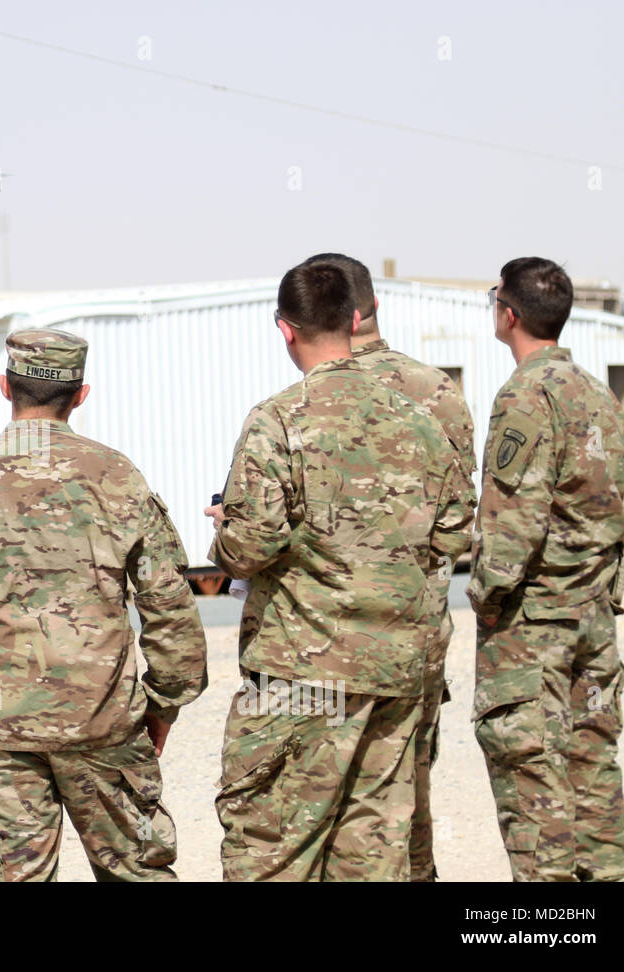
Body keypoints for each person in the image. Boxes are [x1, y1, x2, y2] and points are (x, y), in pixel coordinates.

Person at [0, 328, 208, 882]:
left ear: (5, 387)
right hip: (103, 720)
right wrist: (164, 703)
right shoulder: (118, 477)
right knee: (138, 873)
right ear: (81, 394)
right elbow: (169, 605)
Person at [207, 260, 474, 881]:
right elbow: (455, 532)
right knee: (373, 853)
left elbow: (250, 547)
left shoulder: (279, 418)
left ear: (284, 329)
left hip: (301, 672)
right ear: (356, 320)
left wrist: (224, 531)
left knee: (272, 848)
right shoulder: (421, 417)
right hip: (396, 671)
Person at [302, 252, 477, 881]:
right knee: (403, 800)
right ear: (372, 307)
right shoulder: (436, 391)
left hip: (321, 642)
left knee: (317, 808)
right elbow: (457, 520)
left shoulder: (304, 398)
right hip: (416, 633)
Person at [469, 257, 624, 882]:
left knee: (535, 787)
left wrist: (486, 600)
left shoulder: (526, 394)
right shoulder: (597, 393)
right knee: (593, 778)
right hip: (592, 621)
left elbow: (512, 528)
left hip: (534, 627)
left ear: (508, 315)